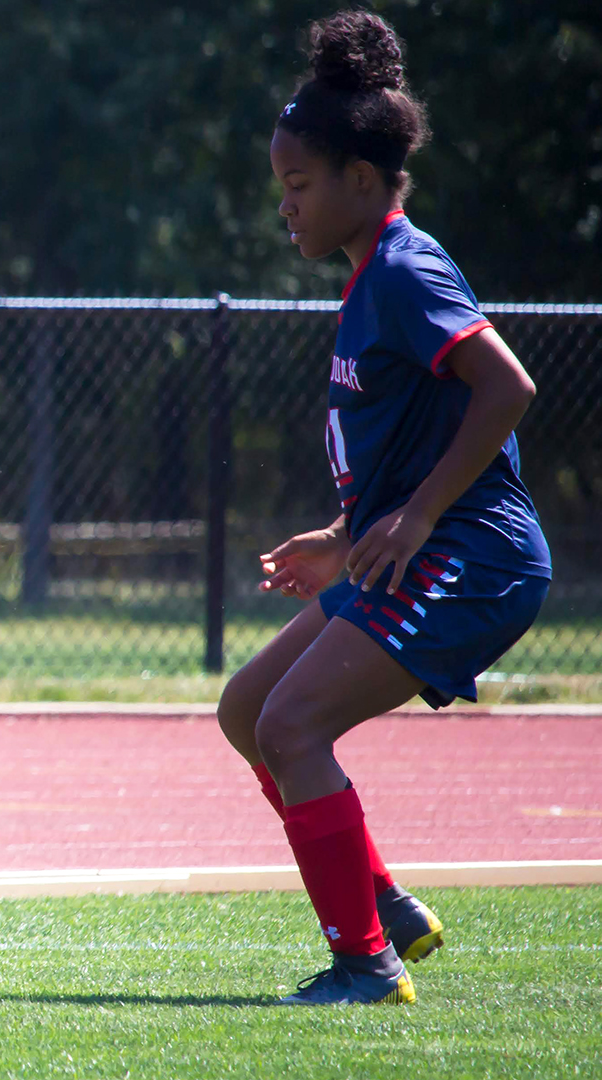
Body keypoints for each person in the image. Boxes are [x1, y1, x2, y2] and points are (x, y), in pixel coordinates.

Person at [217, 10, 552, 1005]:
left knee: (293, 726)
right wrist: (343, 535)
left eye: (298, 185)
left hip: (475, 556)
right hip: (417, 544)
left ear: (361, 181)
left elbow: (508, 388)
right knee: (248, 711)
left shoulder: (406, 269)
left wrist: (413, 520)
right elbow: (408, 444)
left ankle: (366, 965)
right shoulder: (371, 278)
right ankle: (387, 911)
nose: (286, 207)